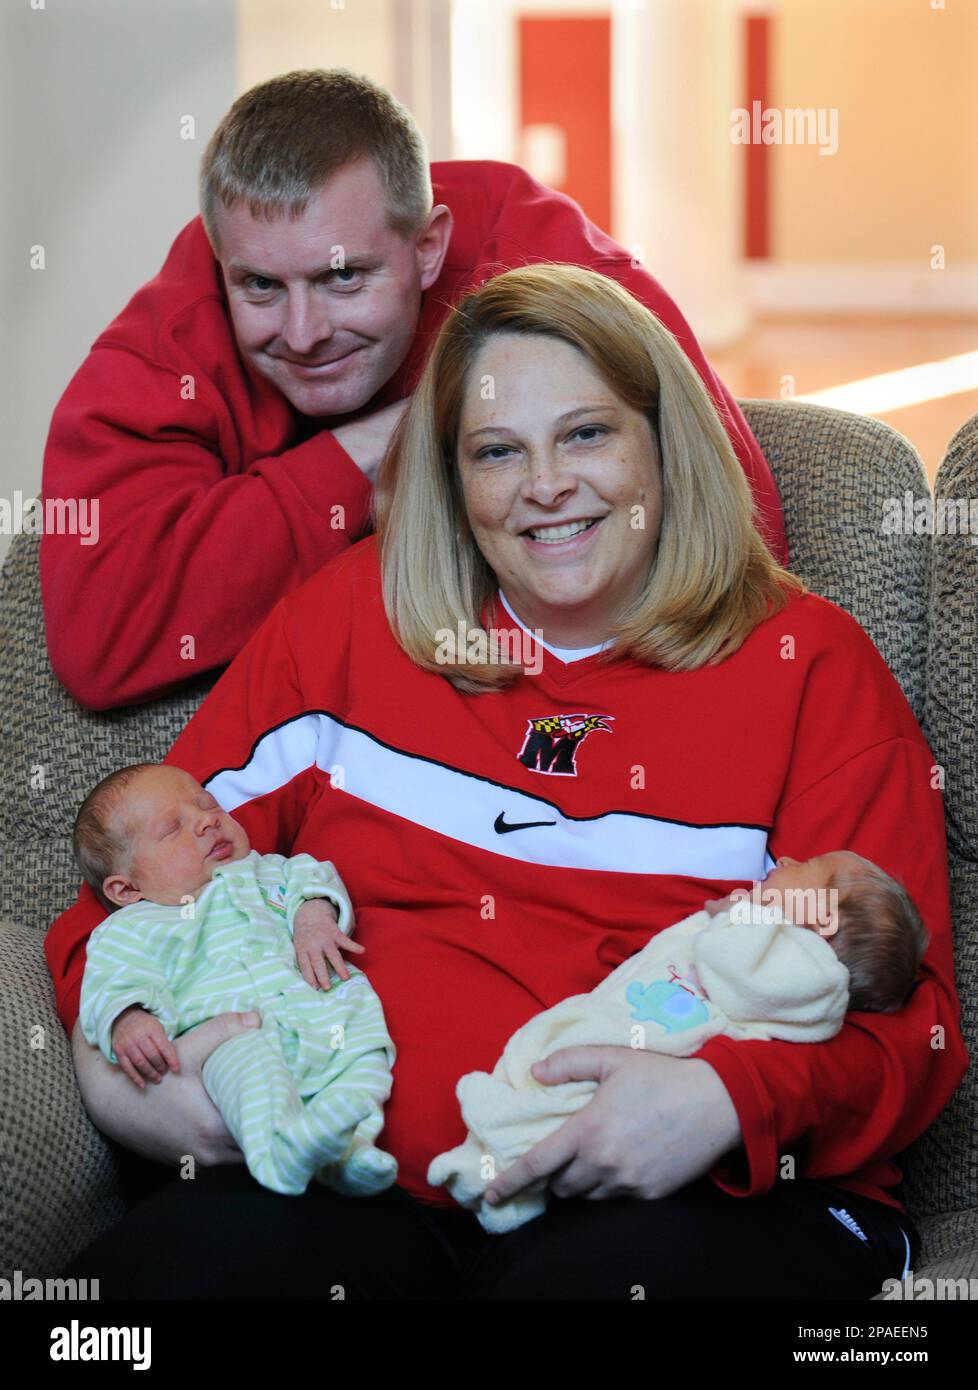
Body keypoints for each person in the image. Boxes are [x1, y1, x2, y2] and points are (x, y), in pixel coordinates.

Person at [47, 262, 967, 1300]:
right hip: (356, 1183)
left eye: (587, 434)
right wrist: (136, 1068)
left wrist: (722, 1098)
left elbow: (914, 1023)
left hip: (696, 1195)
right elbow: (126, 884)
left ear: (665, 441)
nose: (545, 486)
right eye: (497, 451)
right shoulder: (348, 622)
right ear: (452, 477)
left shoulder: (811, 669)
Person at [40, 67, 787, 712]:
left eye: (343, 278)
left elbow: (735, 546)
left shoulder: (552, 269)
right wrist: (397, 437)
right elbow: (102, 638)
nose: (302, 334)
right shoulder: (178, 328)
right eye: (261, 286)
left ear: (428, 246)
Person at [427, 850, 930, 1232]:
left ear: (819, 920)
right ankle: (494, 1162)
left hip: (648, 1064)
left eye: (811, 866)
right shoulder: (780, 951)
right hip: (641, 1031)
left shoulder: (801, 971)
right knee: (551, 1090)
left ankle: (491, 1168)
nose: (792, 857)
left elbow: (735, 967)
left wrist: (745, 918)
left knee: (559, 1107)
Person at [75, 763, 397, 1198]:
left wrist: (313, 915)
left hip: (322, 1011)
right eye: (173, 829)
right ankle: (278, 1152)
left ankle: (349, 1152)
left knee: (363, 1058)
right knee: (248, 1077)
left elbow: (311, 876)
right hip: (231, 1039)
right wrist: (128, 1020)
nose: (208, 820)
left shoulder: (266, 871)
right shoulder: (132, 929)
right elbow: (109, 984)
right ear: (126, 890)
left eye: (210, 806)